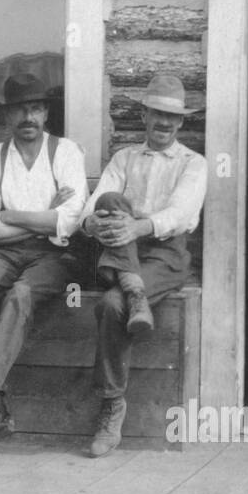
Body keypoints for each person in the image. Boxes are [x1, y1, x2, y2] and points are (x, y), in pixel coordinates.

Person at [80, 74, 207, 457]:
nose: (164, 123)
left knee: (110, 304)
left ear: (182, 122)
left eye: (172, 117)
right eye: (157, 114)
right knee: (113, 200)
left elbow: (182, 214)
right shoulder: (124, 158)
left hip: (165, 255)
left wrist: (138, 226)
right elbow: (93, 207)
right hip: (121, 251)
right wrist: (94, 223)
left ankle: (112, 402)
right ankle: (134, 290)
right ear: (144, 115)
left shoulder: (192, 163)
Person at [0, 73, 87, 436]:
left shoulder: (66, 152)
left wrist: (9, 215)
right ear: (8, 115)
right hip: (2, 253)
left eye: (36, 109)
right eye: (20, 110)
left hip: (53, 257)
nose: (29, 117)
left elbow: (71, 221)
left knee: (20, 295)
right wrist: (43, 217)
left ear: (46, 113)